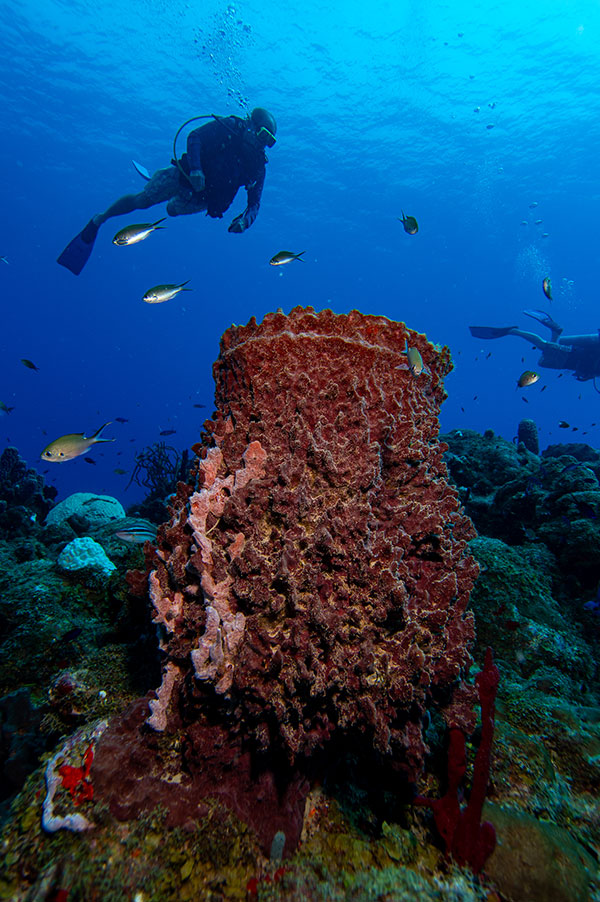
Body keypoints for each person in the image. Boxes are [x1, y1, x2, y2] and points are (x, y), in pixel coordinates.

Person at [57, 107, 277, 275]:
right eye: (263, 135)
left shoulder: (257, 166)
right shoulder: (228, 127)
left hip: (204, 198)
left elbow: (254, 204)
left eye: (270, 142)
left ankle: (163, 189)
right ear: (251, 125)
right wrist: (196, 169)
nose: (263, 145)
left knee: (171, 210)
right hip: (185, 175)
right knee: (143, 201)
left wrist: (243, 222)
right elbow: (195, 137)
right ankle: (100, 219)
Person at [469, 310, 600, 382]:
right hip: (572, 355)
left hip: (569, 363)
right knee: (543, 345)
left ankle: (556, 331)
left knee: (542, 362)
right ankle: (513, 331)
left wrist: (587, 376)